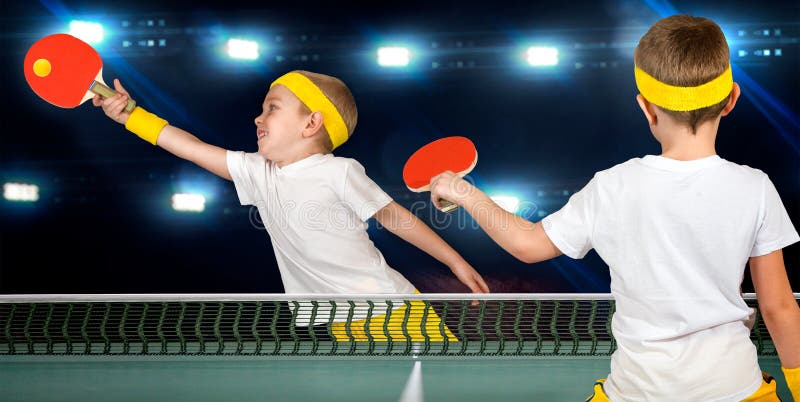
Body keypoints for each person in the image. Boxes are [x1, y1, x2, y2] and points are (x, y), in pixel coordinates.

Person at [428, 15, 799, 401]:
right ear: (732, 99)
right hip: (735, 389)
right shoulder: (755, 187)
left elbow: (528, 245)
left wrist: (464, 192)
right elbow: (779, 309)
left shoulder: (613, 186)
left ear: (646, 107)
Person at [94, 69, 489, 341]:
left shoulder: (338, 171)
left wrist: (455, 262)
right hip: (338, 321)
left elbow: (394, 217)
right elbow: (191, 148)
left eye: (272, 107)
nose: (257, 117)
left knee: (446, 384)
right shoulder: (257, 172)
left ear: (311, 123)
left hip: (394, 310)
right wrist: (130, 114)